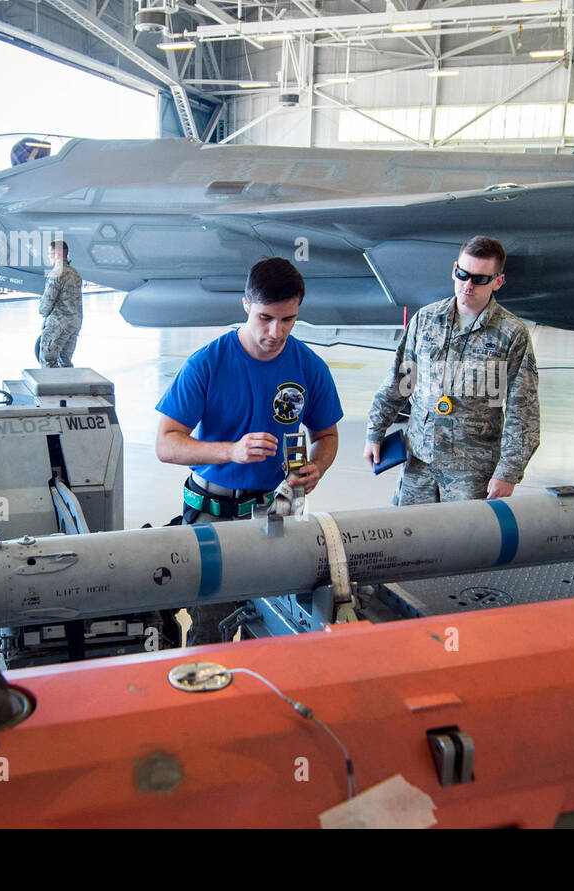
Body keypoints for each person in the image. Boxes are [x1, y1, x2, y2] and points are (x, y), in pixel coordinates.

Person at [155, 256, 344, 643]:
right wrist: (231, 452)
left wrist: (318, 466)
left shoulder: (309, 366)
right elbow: (166, 443)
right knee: (213, 626)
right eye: (265, 317)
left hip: (282, 506)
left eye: (288, 319)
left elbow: (327, 435)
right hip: (214, 511)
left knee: (280, 626)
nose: (276, 331)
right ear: (246, 305)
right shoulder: (207, 364)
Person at [365, 235, 540, 504]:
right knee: (408, 538)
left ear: (498, 281)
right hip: (418, 462)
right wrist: (375, 432)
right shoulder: (425, 320)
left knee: (466, 543)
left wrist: (508, 472)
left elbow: (523, 411)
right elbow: (400, 382)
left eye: (479, 279)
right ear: (454, 269)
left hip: (472, 472)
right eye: (462, 274)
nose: (468, 285)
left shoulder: (512, 335)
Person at [37, 240, 83, 367]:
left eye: (49, 253)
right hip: (74, 324)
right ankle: (70, 387)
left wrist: (41, 310)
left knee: (48, 362)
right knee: (65, 362)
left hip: (58, 325)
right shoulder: (75, 273)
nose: (48, 256)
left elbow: (47, 303)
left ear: (55, 254)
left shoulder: (56, 273)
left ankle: (52, 387)